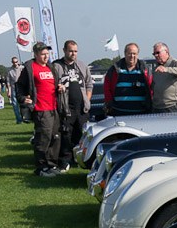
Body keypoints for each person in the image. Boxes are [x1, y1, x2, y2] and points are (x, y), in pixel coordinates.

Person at [15, 42, 62, 176]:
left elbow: (54, 84)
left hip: (54, 107)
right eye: (43, 54)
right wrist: (22, 98)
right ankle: (41, 167)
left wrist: (60, 88)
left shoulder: (50, 67)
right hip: (41, 108)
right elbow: (19, 85)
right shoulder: (30, 68)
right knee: (43, 137)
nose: (46, 56)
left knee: (55, 137)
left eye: (47, 54)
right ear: (36, 54)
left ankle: (51, 164)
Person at [53, 40, 94, 171]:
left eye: (75, 51)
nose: (73, 54)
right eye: (70, 51)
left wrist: (87, 100)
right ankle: (65, 160)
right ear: (64, 50)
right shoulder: (56, 66)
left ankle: (80, 159)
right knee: (66, 134)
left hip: (81, 108)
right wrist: (58, 88)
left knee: (81, 133)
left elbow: (89, 84)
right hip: (66, 107)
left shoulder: (82, 65)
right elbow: (51, 85)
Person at [104, 43, 152, 116]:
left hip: (141, 113)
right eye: (129, 53)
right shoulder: (115, 69)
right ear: (125, 54)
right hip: (119, 112)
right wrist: (109, 103)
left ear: (137, 54)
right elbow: (107, 87)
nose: (132, 56)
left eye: (134, 54)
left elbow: (151, 87)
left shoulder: (145, 69)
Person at [150, 42, 177, 113]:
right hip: (157, 107)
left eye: (158, 53)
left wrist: (166, 69)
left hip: (173, 106)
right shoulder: (156, 67)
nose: (156, 55)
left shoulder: (175, 62)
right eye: (154, 54)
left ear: (166, 52)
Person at [7, 56, 25, 124]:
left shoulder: (22, 68)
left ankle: (24, 117)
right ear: (12, 62)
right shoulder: (10, 70)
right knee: (15, 104)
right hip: (13, 88)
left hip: (21, 88)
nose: (15, 63)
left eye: (16, 62)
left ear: (18, 62)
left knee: (22, 103)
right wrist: (9, 91)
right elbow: (8, 82)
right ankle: (19, 119)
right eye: (14, 62)